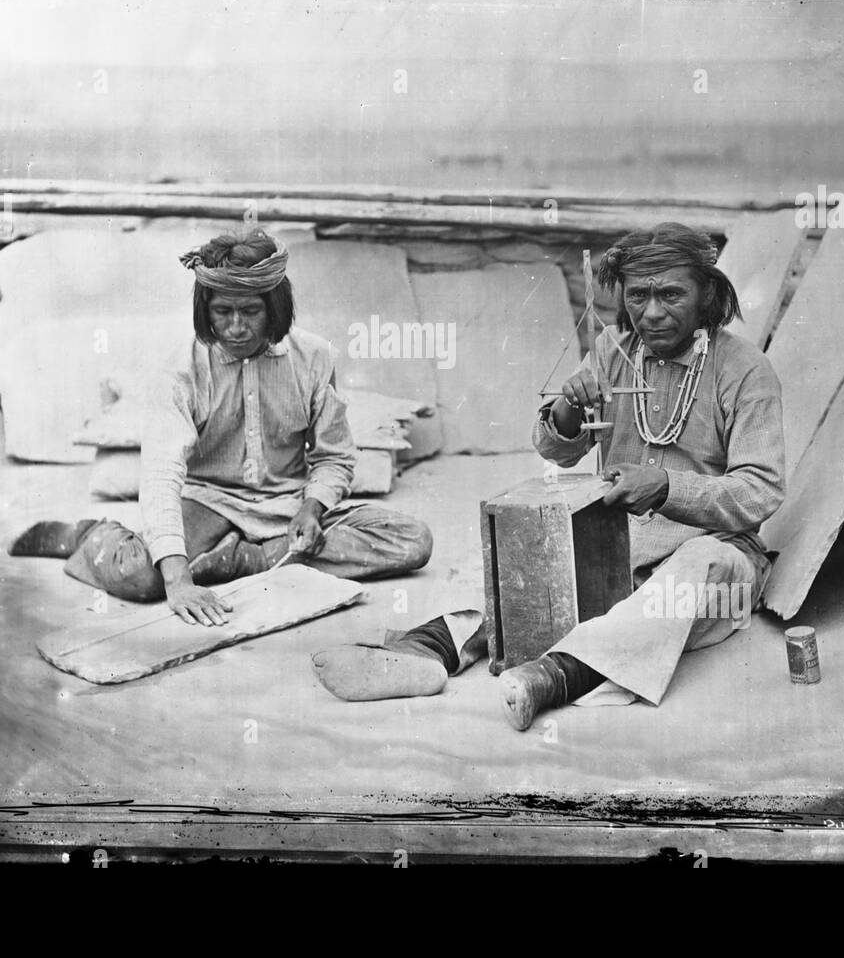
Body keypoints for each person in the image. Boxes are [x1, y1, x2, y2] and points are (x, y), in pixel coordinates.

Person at [312, 222, 785, 731]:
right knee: (518, 551)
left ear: (708, 294)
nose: (651, 312)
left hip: (713, 550)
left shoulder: (744, 370)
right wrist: (566, 409)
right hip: (617, 542)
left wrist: (667, 487)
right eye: (638, 295)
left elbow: (760, 490)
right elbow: (557, 451)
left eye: (671, 294)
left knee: (695, 571)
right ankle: (426, 651)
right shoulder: (614, 351)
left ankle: (553, 677)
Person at [11, 228, 434, 626]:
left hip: (286, 509)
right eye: (222, 312)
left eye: (250, 311)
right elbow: (160, 474)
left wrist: (312, 508)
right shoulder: (180, 371)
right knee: (141, 578)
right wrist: (176, 582)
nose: (235, 327)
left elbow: (334, 457)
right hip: (207, 503)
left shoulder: (315, 358)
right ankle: (91, 534)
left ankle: (239, 559)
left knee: (411, 540)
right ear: (205, 311)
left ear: (275, 308)